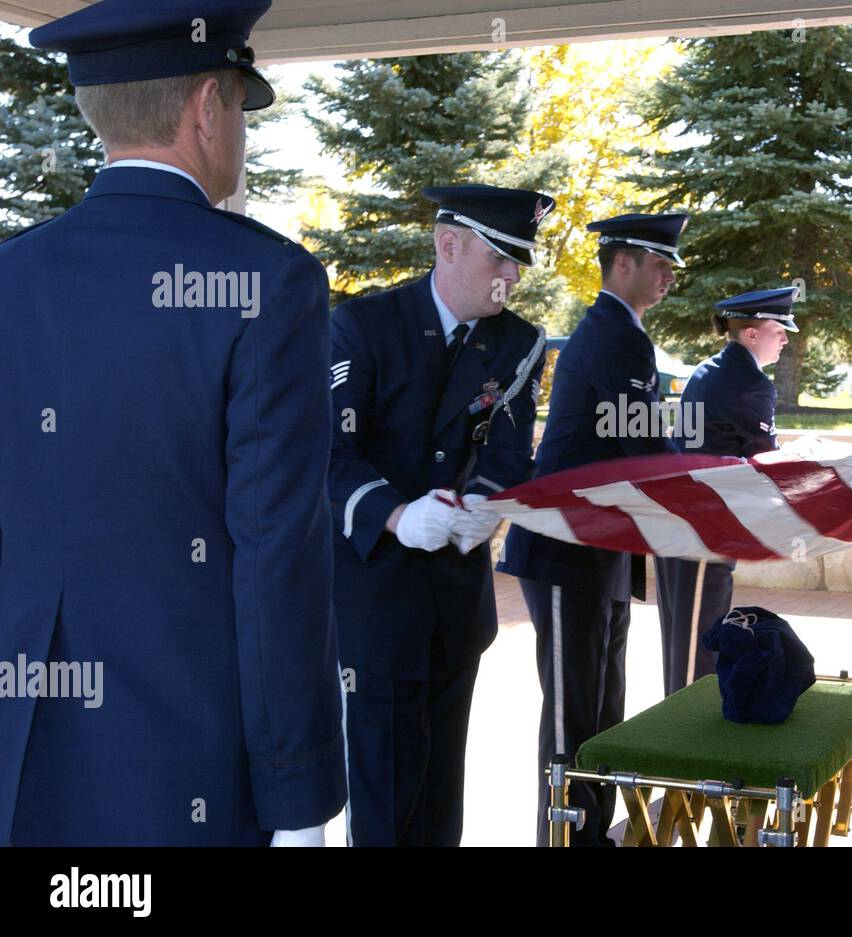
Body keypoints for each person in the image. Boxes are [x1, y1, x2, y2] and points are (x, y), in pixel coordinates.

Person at [3, 0, 345, 845]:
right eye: (236, 103)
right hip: (183, 765)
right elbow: (277, 556)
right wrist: (299, 797)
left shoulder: (12, 274)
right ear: (205, 107)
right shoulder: (270, 280)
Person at [330, 184, 551, 845]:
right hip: (377, 602)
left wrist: (487, 501)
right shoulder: (364, 326)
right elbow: (325, 454)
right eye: (500, 258)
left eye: (519, 262)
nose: (512, 276)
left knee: (439, 801)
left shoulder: (517, 343)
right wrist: (396, 516)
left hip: (457, 605)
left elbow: (510, 448)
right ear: (447, 245)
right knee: (384, 800)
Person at [498, 211, 688, 846]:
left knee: (603, 706)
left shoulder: (622, 334)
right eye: (659, 264)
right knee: (573, 713)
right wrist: (718, 471)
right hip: (565, 548)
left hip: (597, 548)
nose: (668, 276)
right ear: (623, 262)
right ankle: (564, 838)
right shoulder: (615, 336)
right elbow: (641, 444)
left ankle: (591, 832)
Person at [654, 287, 796, 696]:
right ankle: (686, 744)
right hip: (704, 526)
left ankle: (680, 732)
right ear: (751, 334)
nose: (785, 338)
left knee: (681, 639)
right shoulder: (750, 382)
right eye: (779, 329)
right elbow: (765, 463)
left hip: (679, 521)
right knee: (700, 649)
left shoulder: (708, 369)